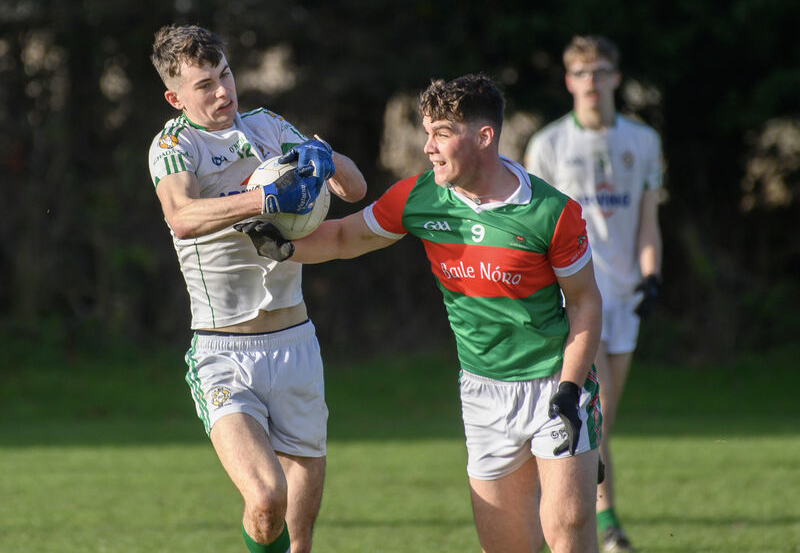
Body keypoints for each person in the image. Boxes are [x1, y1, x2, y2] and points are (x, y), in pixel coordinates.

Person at [237, 73, 604, 553]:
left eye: (442, 134)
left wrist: (570, 390)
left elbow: (585, 301)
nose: (428, 147)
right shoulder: (420, 196)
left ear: (484, 136)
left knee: (568, 530)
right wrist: (282, 246)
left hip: (554, 383)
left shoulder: (551, 212)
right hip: (483, 393)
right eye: (427, 132)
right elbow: (346, 237)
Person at [147, 24, 367, 553]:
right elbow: (181, 216)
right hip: (224, 351)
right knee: (267, 499)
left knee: (300, 537)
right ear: (176, 98)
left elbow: (355, 188)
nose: (223, 91)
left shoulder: (269, 125)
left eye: (225, 75)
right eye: (204, 85)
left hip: (296, 345)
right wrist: (262, 199)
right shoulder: (175, 144)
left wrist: (325, 157)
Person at [524, 35, 663, 553]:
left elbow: (648, 221)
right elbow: (532, 229)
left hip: (624, 299)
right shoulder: (548, 144)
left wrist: (651, 276)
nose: (591, 82)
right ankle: (605, 528)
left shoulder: (643, 141)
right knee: (589, 417)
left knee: (602, 422)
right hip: (577, 299)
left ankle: (566, 510)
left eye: (600, 71)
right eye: (581, 73)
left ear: (616, 78)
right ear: (568, 80)